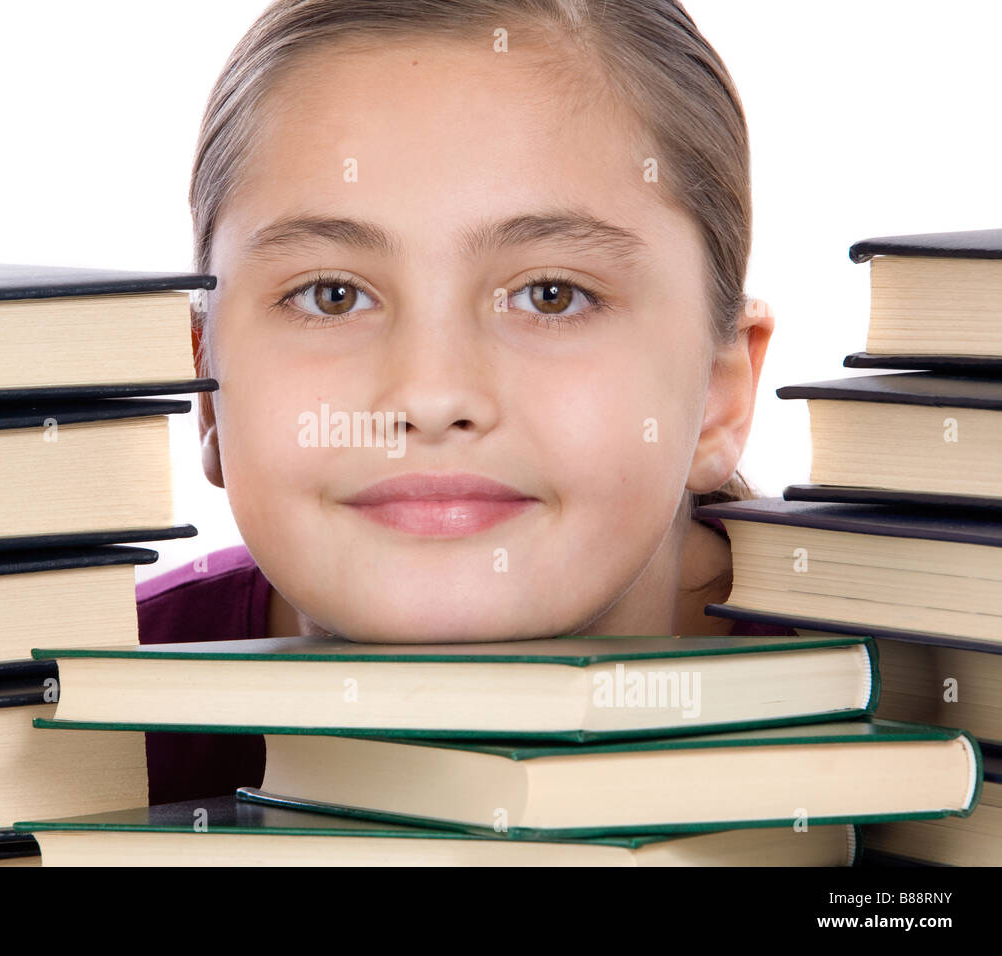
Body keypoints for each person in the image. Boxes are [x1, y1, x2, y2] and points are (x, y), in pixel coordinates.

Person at [139, 0, 793, 804]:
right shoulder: (55, 711)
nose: (431, 395)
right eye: (333, 296)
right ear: (207, 386)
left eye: (552, 296)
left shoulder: (949, 707)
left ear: (721, 392)